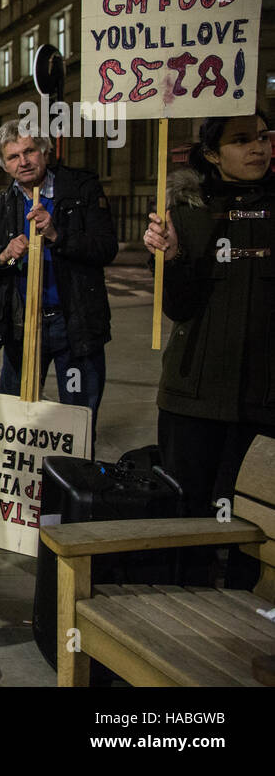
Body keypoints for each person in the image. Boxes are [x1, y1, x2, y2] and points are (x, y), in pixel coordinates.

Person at [143, 109, 274, 589]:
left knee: (255, 523)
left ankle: (248, 616)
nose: (258, 147)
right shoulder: (187, 212)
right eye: (242, 140)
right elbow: (177, 307)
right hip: (194, 397)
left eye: (262, 136)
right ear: (214, 153)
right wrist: (170, 256)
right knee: (190, 515)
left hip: (264, 400)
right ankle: (188, 599)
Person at [0, 120, 117, 443]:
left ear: (45, 152)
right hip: (23, 327)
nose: (23, 161)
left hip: (74, 324)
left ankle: (70, 488)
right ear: (4, 166)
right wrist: (4, 253)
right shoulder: (0, 206)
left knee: (79, 422)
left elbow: (106, 248)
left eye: (29, 151)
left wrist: (56, 235)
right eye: (12, 157)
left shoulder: (81, 189)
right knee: (15, 421)